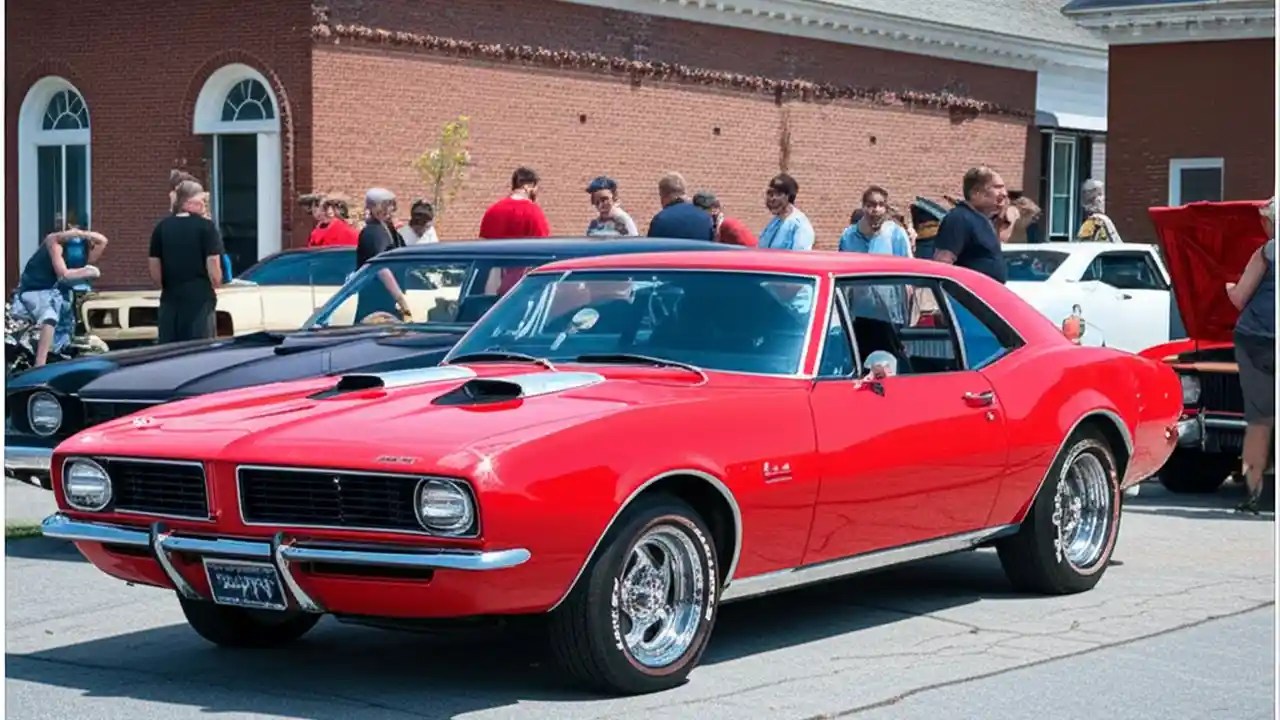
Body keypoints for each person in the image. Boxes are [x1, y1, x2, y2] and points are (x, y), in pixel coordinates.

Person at [1225, 196, 1276, 513]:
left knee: (1259, 419)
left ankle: (1254, 495)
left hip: (1256, 338)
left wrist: (1228, 288)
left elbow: (1240, 297)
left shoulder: (1267, 252)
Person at [12, 216, 107, 366]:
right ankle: (40, 364)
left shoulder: (83, 247)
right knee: (49, 317)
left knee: (66, 325)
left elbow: (102, 240)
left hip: (57, 292)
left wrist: (83, 234)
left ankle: (58, 355)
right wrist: (89, 271)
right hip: (35, 290)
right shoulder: (53, 242)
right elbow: (64, 274)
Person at [148, 181, 224, 343]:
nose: (204, 206)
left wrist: (165, 285)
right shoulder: (207, 228)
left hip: (170, 299)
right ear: (189, 203)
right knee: (199, 351)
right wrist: (217, 283)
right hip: (199, 299)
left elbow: (154, 268)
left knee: (170, 351)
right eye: (202, 202)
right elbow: (213, 264)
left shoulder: (161, 228)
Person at [932, 165, 1009, 283]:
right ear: (975, 193)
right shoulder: (959, 218)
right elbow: (942, 263)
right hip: (963, 299)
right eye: (997, 187)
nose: (1004, 193)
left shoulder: (984, 220)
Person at [479, 167, 551, 239]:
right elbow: (543, 244)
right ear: (527, 187)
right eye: (536, 187)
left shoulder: (492, 210)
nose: (537, 191)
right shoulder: (534, 212)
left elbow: (482, 243)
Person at [839, 186, 911, 257]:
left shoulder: (896, 234)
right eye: (871, 205)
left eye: (881, 205)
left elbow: (906, 264)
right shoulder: (848, 235)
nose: (876, 209)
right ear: (863, 207)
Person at [647, 172, 714, 241]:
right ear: (684, 191)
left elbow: (651, 249)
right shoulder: (705, 218)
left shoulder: (661, 220)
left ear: (663, 195)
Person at [758, 173, 814, 250]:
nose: (772, 199)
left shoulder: (800, 226)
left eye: (778, 194)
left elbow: (800, 258)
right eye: (770, 194)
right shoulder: (774, 223)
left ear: (789, 197)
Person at [692, 191, 757, 246]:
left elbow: (751, 246)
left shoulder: (729, 225)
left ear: (715, 208)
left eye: (704, 210)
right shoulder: (709, 228)